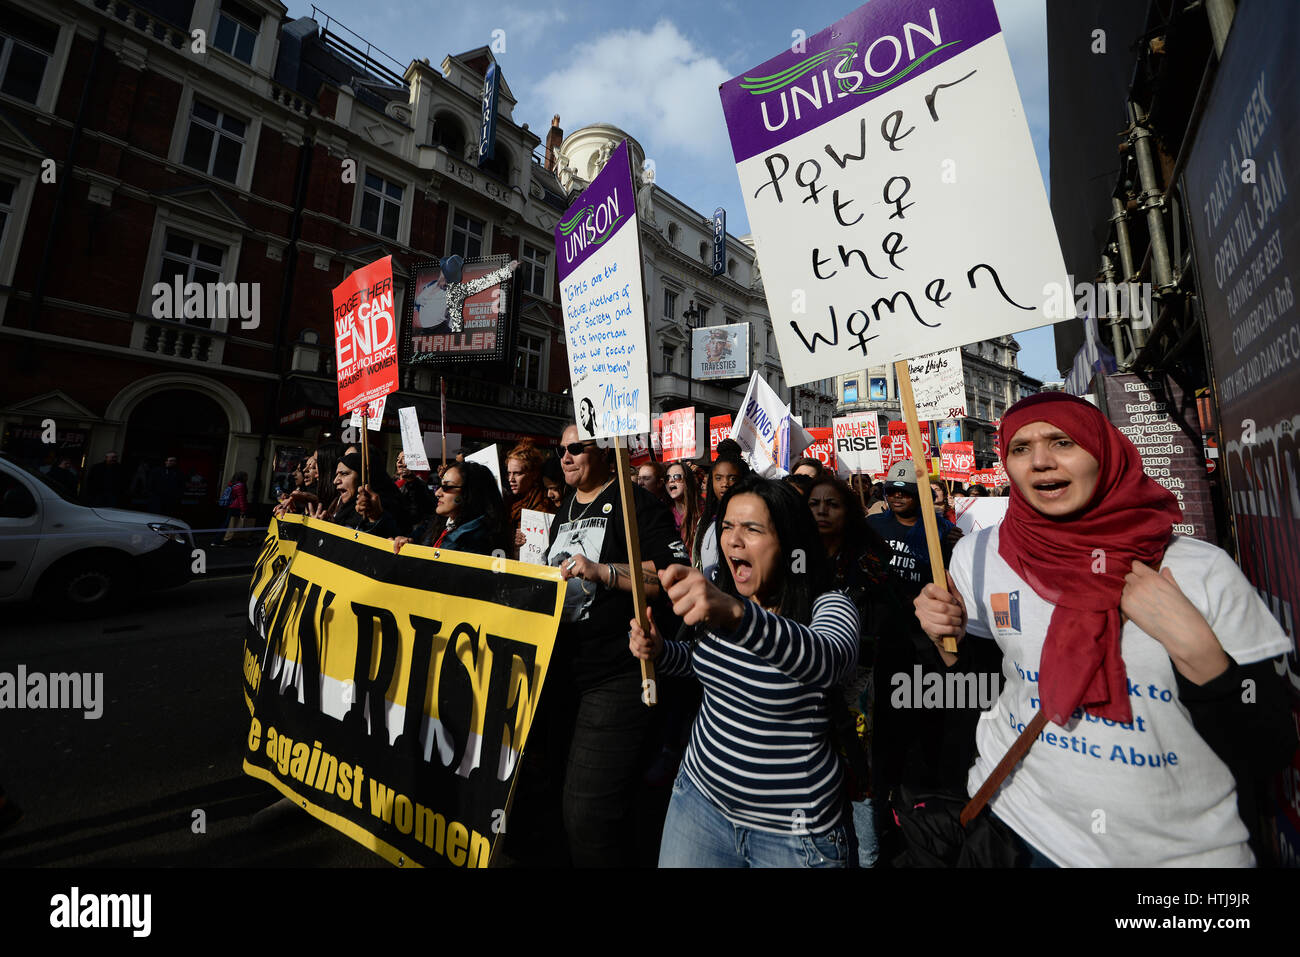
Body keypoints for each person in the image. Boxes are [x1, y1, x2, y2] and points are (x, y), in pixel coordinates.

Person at [914, 393, 1296, 866]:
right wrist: (943, 640)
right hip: (1014, 827)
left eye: (1062, 441)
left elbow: (1270, 749)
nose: (1039, 461)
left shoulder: (1198, 569)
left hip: (1177, 855)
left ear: (1106, 453)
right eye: (1019, 448)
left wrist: (1197, 650)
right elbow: (992, 679)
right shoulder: (978, 554)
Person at [629, 475, 859, 867]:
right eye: (728, 527)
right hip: (699, 808)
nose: (733, 540)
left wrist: (738, 615)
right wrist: (661, 650)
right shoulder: (727, 601)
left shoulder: (829, 603)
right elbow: (703, 664)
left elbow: (828, 661)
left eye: (752, 529)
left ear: (788, 543)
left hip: (793, 838)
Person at [547, 424, 688, 866]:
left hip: (618, 674)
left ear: (604, 450)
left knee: (588, 812)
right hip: (564, 670)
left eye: (576, 448)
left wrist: (605, 572)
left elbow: (670, 576)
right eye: (561, 450)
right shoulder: (564, 508)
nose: (566, 457)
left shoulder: (636, 504)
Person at [808, 475, 914, 867]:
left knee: (863, 792)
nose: (821, 511)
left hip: (863, 698)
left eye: (831, 504)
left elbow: (894, 625)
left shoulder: (871, 561)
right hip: (814, 695)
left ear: (848, 512)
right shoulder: (794, 561)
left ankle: (867, 858)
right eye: (814, 504)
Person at [867, 461, 961, 599]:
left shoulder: (942, 530)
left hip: (923, 613)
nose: (897, 495)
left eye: (906, 492)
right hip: (879, 610)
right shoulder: (872, 524)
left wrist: (958, 547)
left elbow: (952, 578)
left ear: (921, 495)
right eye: (892, 491)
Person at [392, 461, 506, 556]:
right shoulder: (435, 525)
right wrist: (409, 542)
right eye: (441, 485)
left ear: (470, 492)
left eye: (447, 486)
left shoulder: (478, 540)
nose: (437, 493)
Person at [692, 440, 750, 582]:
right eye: (718, 478)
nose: (725, 484)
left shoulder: (751, 521)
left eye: (732, 478)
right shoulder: (705, 521)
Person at [305, 452, 397, 538]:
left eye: (344, 474)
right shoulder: (344, 510)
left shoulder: (384, 508)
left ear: (362, 477)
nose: (335, 481)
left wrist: (375, 519)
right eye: (336, 474)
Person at [503, 441, 556, 557]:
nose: (511, 479)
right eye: (509, 473)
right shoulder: (508, 502)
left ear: (534, 474)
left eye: (517, 473)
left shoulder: (544, 505)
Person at [664, 462, 700, 551]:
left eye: (677, 477)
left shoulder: (703, 511)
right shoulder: (664, 512)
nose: (671, 480)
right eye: (667, 478)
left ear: (688, 481)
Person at [219, 471, 250, 545]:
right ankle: (219, 540)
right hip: (236, 507)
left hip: (231, 506)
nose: (247, 478)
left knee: (228, 523)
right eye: (246, 476)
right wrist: (243, 510)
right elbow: (241, 499)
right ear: (242, 477)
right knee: (230, 524)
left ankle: (221, 539)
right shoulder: (240, 486)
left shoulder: (233, 484)